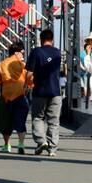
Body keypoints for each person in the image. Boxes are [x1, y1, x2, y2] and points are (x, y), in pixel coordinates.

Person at [26, 28, 64, 156]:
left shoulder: (36, 52)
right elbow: (63, 69)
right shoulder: (58, 53)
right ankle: (52, 149)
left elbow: (29, 73)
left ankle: (41, 141)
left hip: (40, 91)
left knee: (38, 117)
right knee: (54, 121)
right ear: (52, 40)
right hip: (55, 92)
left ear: (40, 40)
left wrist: (27, 84)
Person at [0, 41, 31, 154]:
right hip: (21, 96)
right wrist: (26, 90)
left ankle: (7, 145)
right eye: (21, 52)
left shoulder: (1, 64)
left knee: (6, 122)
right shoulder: (24, 65)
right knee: (21, 121)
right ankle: (21, 144)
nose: (22, 55)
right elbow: (30, 81)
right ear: (16, 53)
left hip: (6, 98)